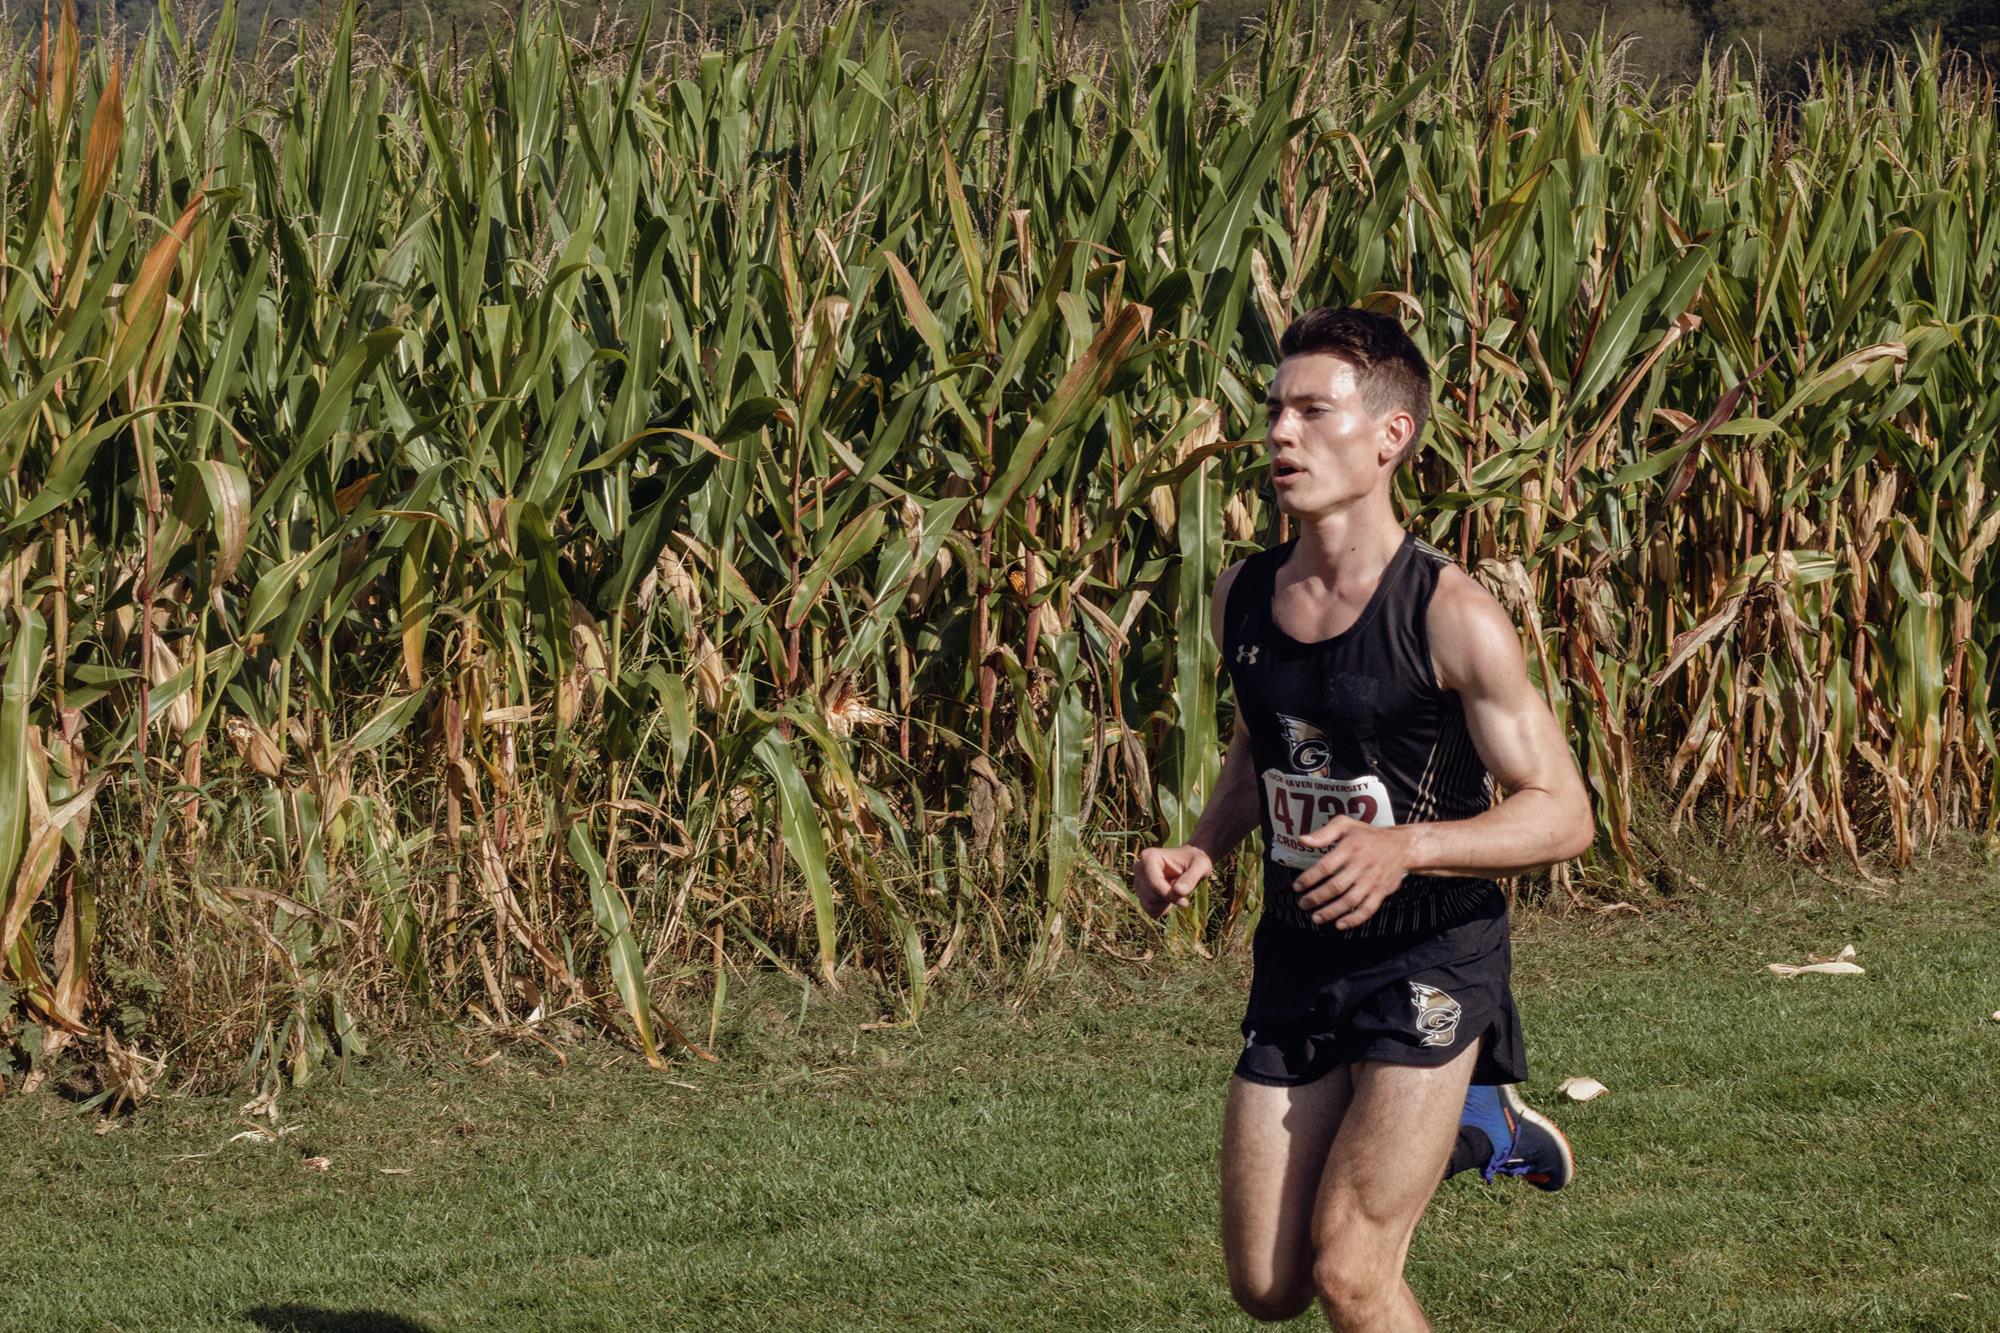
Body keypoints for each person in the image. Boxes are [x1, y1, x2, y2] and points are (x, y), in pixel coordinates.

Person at [1131, 307, 1596, 1330]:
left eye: (1311, 410)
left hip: (1429, 955)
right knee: (1266, 1285)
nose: (1279, 434)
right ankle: (1480, 1127)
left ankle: (1456, 1091)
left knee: (1349, 1265)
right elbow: (1266, 747)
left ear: (1388, 436)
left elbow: (1564, 814)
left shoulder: (1446, 612)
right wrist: (1201, 846)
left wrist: (1409, 845)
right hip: (1298, 956)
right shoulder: (1239, 596)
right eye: (1273, 410)